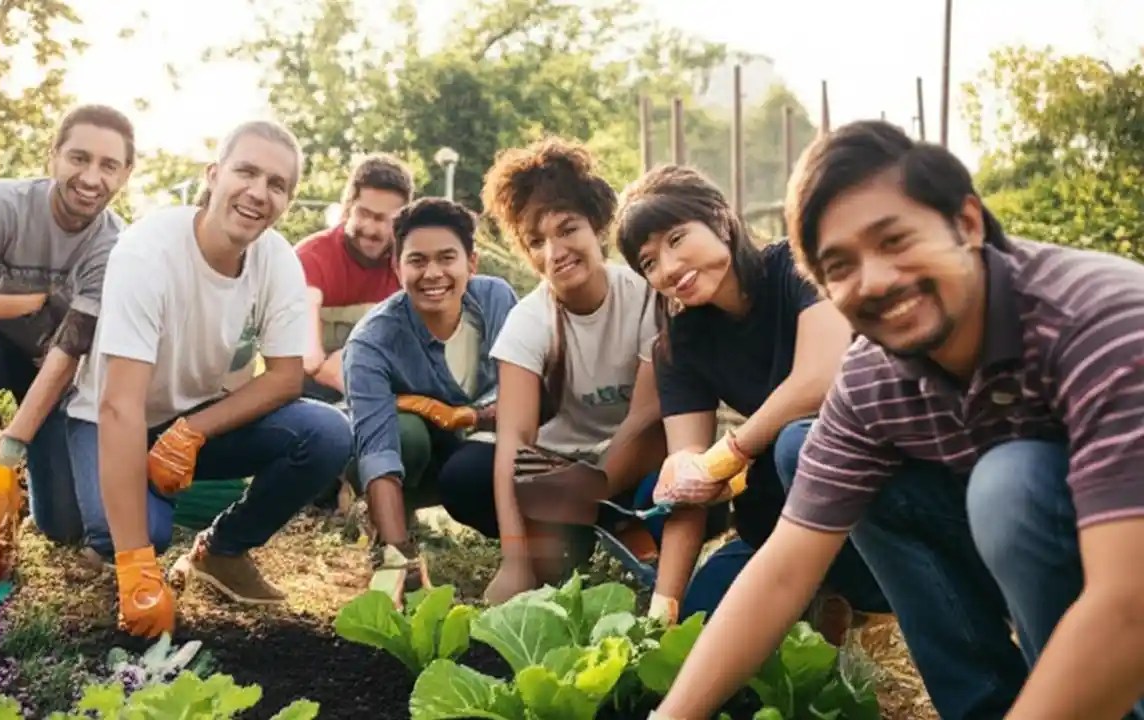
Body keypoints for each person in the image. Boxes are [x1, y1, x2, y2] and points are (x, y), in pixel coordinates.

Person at [650, 120, 1144, 720]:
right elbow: (783, 570)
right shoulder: (873, 378)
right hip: (1083, 558)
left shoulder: (1100, 323)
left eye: (894, 240)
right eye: (840, 266)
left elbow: (1128, 606)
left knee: (1011, 487)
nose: (877, 281)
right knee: (854, 470)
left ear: (966, 223)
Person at [64, 119, 353, 638]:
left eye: (277, 184)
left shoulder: (277, 260)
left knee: (329, 433)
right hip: (108, 415)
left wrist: (193, 430)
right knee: (133, 535)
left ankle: (220, 551)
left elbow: (287, 377)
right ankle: (75, 504)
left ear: (288, 199)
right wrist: (135, 564)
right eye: (246, 172)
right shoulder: (147, 251)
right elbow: (119, 406)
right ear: (214, 174)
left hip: (194, 421)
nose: (258, 193)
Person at [614, 164, 887, 637]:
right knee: (698, 622)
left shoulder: (799, 266)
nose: (669, 267)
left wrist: (729, 454)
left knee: (798, 445)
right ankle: (815, 594)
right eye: (649, 262)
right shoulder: (679, 346)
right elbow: (689, 475)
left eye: (676, 239)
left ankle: (859, 595)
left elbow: (820, 379)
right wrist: (665, 605)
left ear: (721, 219)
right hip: (778, 515)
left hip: (873, 476)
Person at [442, 137, 668, 609]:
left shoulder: (646, 297)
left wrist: (598, 490)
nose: (555, 251)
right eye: (536, 242)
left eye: (568, 230)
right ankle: (579, 538)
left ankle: (607, 526)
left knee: (671, 469)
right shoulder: (529, 322)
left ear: (597, 225)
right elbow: (514, 439)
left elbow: (646, 417)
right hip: (557, 472)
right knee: (465, 473)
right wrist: (515, 562)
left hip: (629, 463)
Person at [0, 104, 135, 582]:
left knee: (64, 525)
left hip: (49, 369)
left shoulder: (114, 247)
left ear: (125, 175)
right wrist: (34, 301)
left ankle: (15, 492)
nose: (90, 177)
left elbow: (70, 351)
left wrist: (14, 445)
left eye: (108, 165)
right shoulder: (2, 204)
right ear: (53, 156)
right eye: (78, 158)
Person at [342, 197, 518, 606]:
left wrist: (473, 415)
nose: (433, 273)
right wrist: (396, 557)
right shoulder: (372, 342)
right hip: (415, 458)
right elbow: (377, 449)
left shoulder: (496, 301)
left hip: (483, 451)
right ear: (397, 268)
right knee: (406, 435)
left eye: (447, 258)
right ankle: (389, 528)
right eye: (417, 261)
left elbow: (526, 395)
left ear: (471, 263)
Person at [295, 154, 411, 404]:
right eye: (364, 214)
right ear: (347, 208)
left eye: (383, 220)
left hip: (383, 384)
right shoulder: (312, 257)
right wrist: (334, 370)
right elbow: (309, 357)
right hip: (315, 385)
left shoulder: (407, 265)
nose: (370, 229)